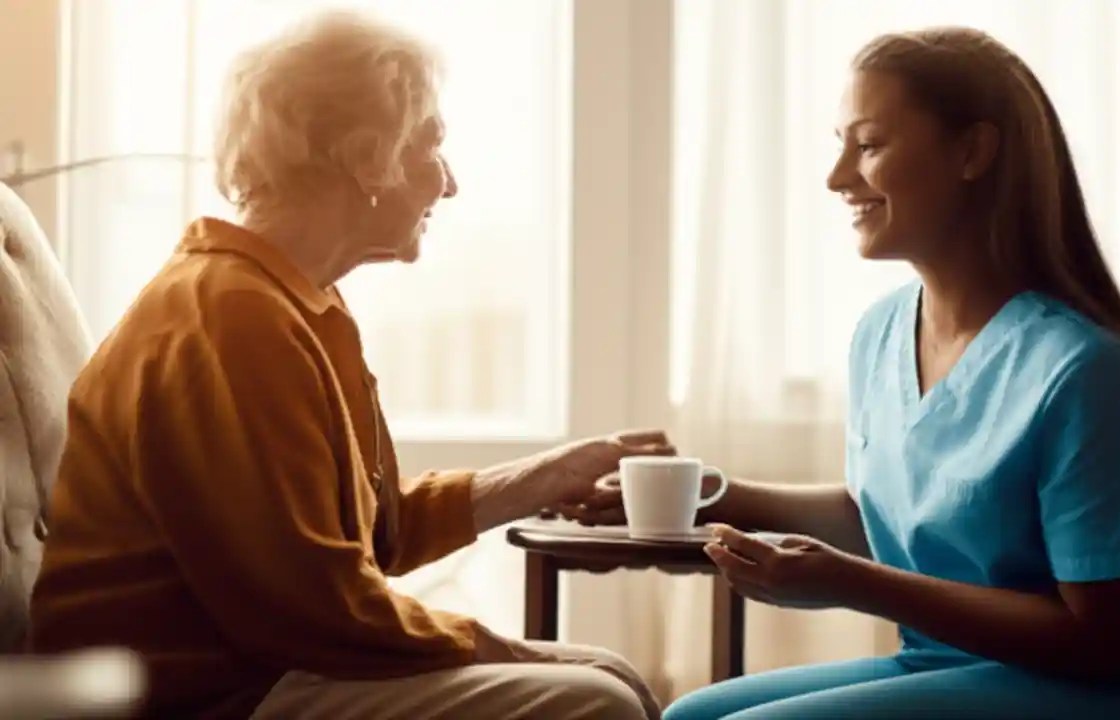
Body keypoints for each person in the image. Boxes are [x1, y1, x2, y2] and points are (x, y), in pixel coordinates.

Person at [29, 11, 665, 720]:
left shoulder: (293, 300)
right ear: (369, 158)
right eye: (432, 146)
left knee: (602, 683)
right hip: (199, 697)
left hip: (264, 669)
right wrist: (504, 649)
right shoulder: (231, 315)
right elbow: (312, 607)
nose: (449, 184)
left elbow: (372, 536)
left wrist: (545, 477)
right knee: (595, 702)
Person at [642, 26, 1120, 720]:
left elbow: (1105, 641)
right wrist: (708, 497)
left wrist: (852, 584)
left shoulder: (1088, 370)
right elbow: (889, 513)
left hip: (1114, 694)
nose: (837, 177)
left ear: (972, 152)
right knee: (688, 715)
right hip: (953, 664)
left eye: (868, 145)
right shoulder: (882, 332)